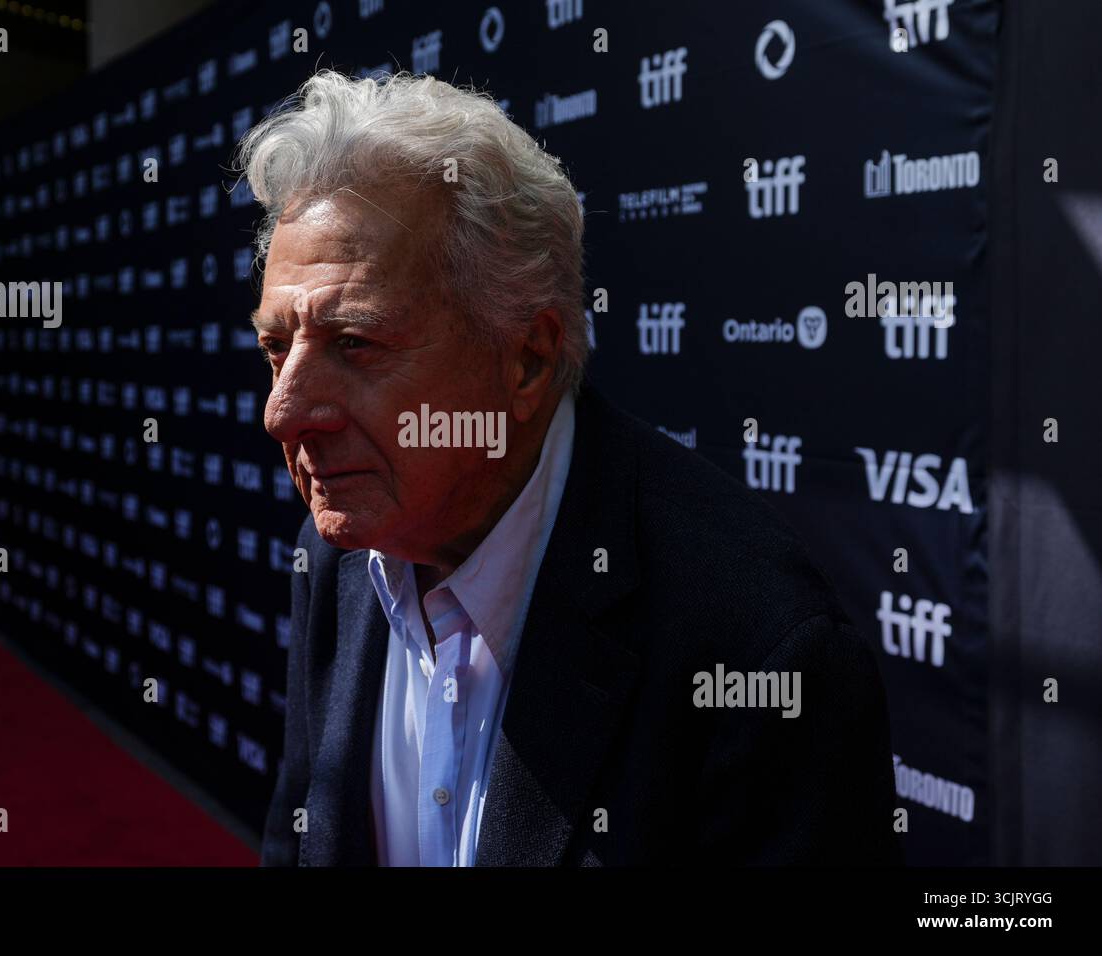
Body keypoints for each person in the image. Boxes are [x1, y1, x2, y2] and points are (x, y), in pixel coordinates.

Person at [234, 70, 901, 866]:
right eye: (277, 347)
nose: (284, 411)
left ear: (528, 358)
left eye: (356, 344)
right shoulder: (334, 553)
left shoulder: (760, 650)